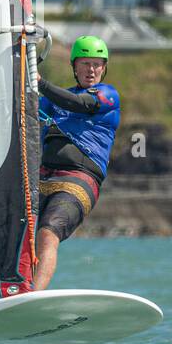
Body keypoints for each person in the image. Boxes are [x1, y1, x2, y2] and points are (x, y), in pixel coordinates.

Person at [32, 35, 120, 290]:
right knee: (14, 235)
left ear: (104, 68)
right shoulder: (55, 100)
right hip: (42, 178)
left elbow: (80, 104)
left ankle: (32, 297)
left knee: (48, 232)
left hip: (78, 181)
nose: (91, 70)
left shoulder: (108, 95)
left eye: (96, 64)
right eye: (84, 64)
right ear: (75, 67)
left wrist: (42, 84)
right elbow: (20, 108)